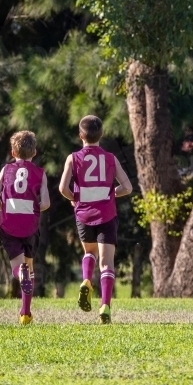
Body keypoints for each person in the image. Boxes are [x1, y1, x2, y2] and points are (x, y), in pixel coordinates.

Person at [58, 115, 133, 324]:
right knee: (107, 263)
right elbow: (127, 187)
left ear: (80, 135)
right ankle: (105, 306)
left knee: (89, 252)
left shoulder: (73, 158)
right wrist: (110, 193)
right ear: (102, 134)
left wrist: (76, 199)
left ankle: (86, 281)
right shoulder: (110, 158)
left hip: (84, 214)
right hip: (107, 214)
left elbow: (63, 188)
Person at [0, 130, 50, 325]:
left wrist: (5, 209)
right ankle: (25, 313)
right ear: (34, 152)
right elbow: (46, 203)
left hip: (9, 224)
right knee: (29, 269)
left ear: (12, 153)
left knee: (19, 268)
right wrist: (34, 210)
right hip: (30, 225)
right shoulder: (40, 173)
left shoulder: (6, 169)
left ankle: (20, 275)